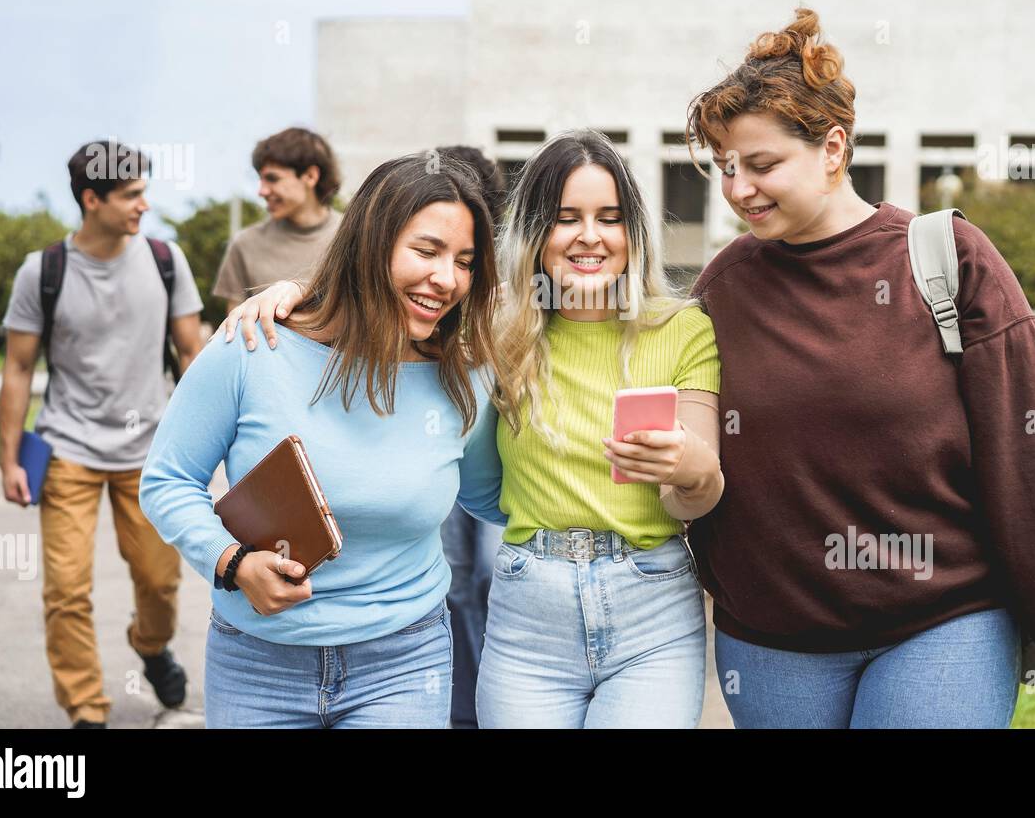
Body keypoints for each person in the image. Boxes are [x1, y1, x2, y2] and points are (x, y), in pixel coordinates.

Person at [682, 6, 1035, 728]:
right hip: (770, 642)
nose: (739, 188)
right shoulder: (723, 287)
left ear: (832, 148)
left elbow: (1029, 453)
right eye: (726, 168)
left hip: (942, 623)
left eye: (763, 165)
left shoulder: (948, 260)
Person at [222, 130, 724, 728]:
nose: (590, 236)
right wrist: (296, 294)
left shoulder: (683, 328)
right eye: (566, 218)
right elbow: (385, 295)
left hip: (653, 602)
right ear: (536, 233)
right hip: (529, 608)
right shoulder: (493, 329)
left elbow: (700, 491)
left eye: (609, 218)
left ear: (632, 233)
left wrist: (689, 469)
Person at [140, 152, 507, 728]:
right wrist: (232, 563)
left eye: (464, 262)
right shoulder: (252, 346)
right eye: (427, 251)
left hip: (405, 663)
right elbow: (167, 480)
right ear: (371, 244)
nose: (448, 279)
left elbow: (497, 498)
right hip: (256, 663)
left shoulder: (464, 379)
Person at [0, 138, 205, 728]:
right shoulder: (44, 272)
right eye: (132, 194)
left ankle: (149, 643)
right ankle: (87, 710)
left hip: (151, 451)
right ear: (92, 200)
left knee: (160, 583)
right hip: (68, 448)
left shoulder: (166, 260)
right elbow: (18, 368)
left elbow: (191, 353)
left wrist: (211, 441)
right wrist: (10, 458)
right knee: (65, 590)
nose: (145, 204)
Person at [433, 145, 504, 729]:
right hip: (437, 451)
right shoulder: (432, 276)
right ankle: (465, 713)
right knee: (454, 583)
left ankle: (493, 705)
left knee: (490, 574)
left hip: (499, 455)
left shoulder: (511, 278)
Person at [211, 127, 343, 311]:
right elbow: (236, 329)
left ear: (310, 176)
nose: (262, 191)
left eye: (272, 179)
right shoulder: (246, 244)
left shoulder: (355, 237)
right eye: (260, 179)